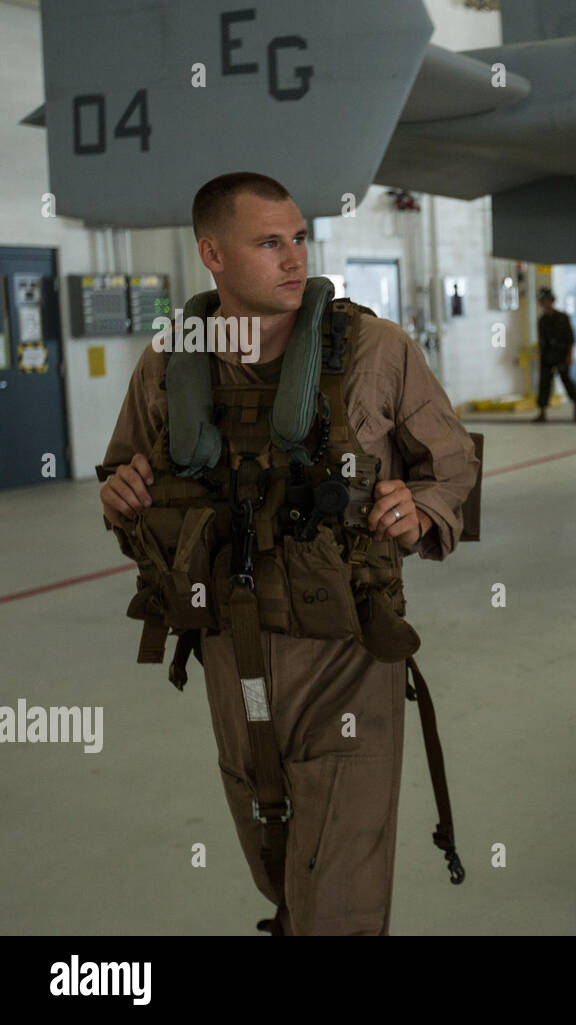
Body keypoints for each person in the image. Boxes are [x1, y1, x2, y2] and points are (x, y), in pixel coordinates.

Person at [96, 172, 480, 935]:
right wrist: (118, 493)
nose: (295, 257)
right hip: (230, 662)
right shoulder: (171, 364)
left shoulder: (375, 350)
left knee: (338, 901)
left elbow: (454, 465)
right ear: (212, 254)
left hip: (347, 657)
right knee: (276, 870)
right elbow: (124, 474)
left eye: (299, 238)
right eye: (269, 242)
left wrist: (421, 509)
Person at [532, 287, 576, 422]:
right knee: (544, 383)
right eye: (543, 301)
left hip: (561, 354)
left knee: (566, 380)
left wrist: (569, 355)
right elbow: (542, 340)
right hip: (547, 356)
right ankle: (542, 411)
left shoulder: (562, 318)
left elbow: (570, 339)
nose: (545, 304)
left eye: (547, 300)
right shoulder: (542, 320)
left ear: (552, 301)